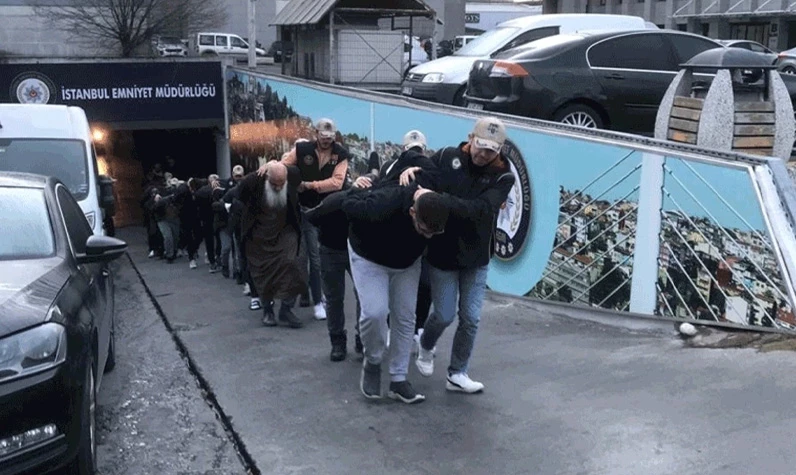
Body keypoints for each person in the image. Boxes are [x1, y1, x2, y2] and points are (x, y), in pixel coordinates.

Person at [403, 117, 516, 394]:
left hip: (477, 257)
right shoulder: (446, 156)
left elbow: (480, 209)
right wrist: (410, 172)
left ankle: (457, 373)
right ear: (470, 138)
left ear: (499, 150)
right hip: (442, 252)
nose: (483, 154)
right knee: (443, 315)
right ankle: (426, 344)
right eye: (481, 146)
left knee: (471, 318)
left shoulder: (504, 175)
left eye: (491, 150)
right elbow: (424, 179)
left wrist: (439, 200)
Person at [338, 146, 447, 404]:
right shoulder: (385, 201)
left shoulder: (435, 186)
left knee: (406, 318)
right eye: (423, 230)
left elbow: (414, 153)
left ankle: (398, 379)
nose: (427, 236)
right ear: (413, 213)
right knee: (375, 313)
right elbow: (348, 205)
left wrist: (411, 167)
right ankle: (373, 361)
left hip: (407, 262)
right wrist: (358, 187)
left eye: (433, 233)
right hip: (368, 255)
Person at [264, 120, 350, 321]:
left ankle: (319, 299)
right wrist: (273, 166)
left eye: (330, 137)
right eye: (323, 136)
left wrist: (309, 185)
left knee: (328, 260)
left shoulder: (341, 154)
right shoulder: (302, 150)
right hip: (305, 211)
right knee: (306, 259)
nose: (327, 140)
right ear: (316, 134)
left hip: (329, 212)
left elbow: (337, 183)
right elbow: (284, 166)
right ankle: (305, 303)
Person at [238, 161, 307, 328]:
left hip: (285, 232)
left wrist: (273, 163)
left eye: (281, 184)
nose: (278, 188)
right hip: (259, 235)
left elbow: (296, 159)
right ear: (267, 177)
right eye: (274, 184)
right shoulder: (253, 181)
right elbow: (240, 196)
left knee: (294, 265)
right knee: (264, 273)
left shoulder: (292, 174)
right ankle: (267, 310)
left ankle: (286, 309)